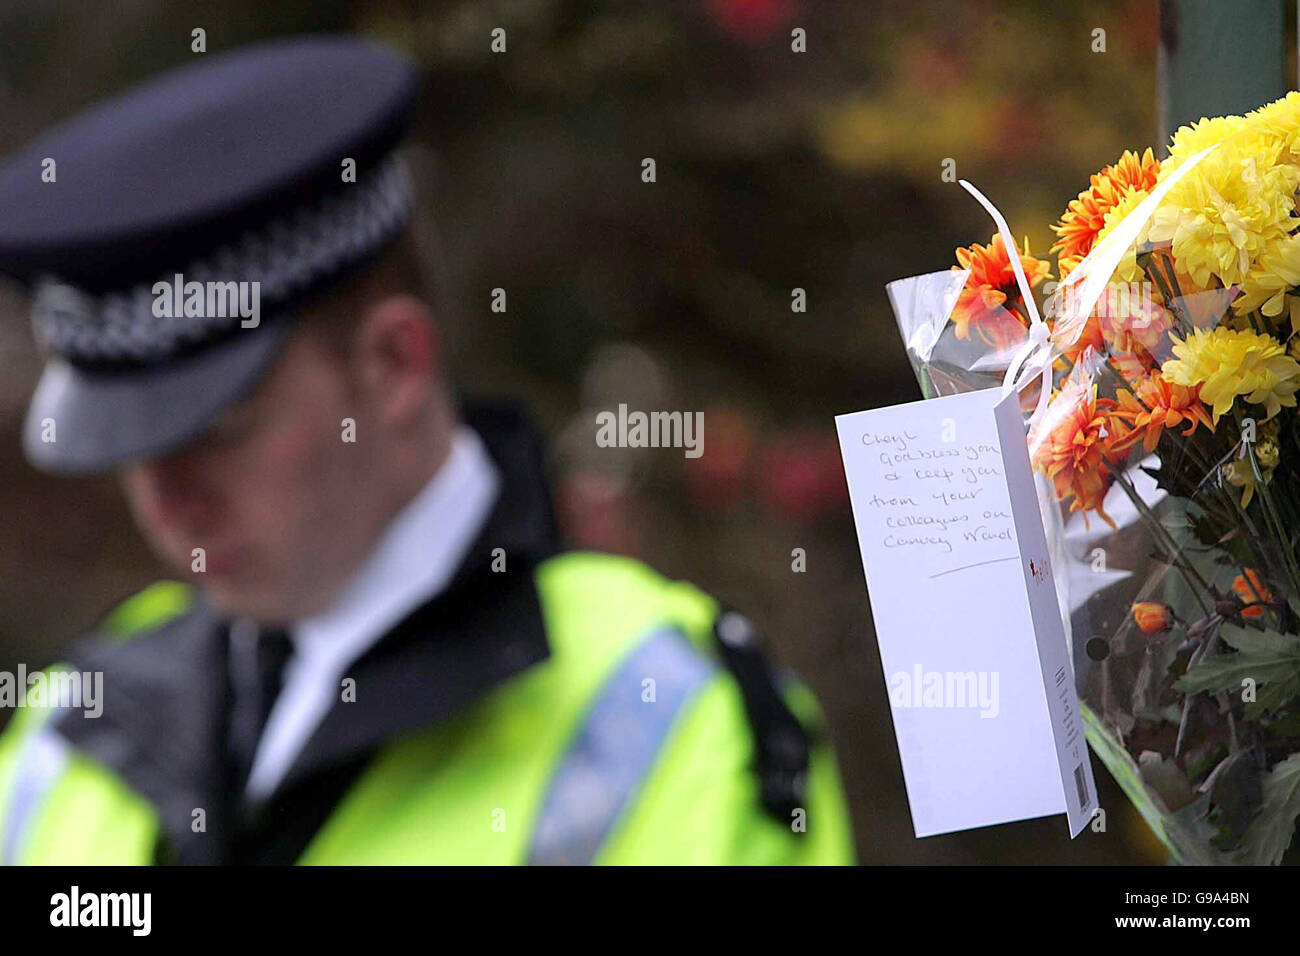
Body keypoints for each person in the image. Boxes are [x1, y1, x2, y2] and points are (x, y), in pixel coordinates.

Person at [0, 34, 854, 865]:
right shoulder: (73, 715)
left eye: (217, 428)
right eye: (134, 443)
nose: (165, 497)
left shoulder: (672, 714)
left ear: (393, 362)